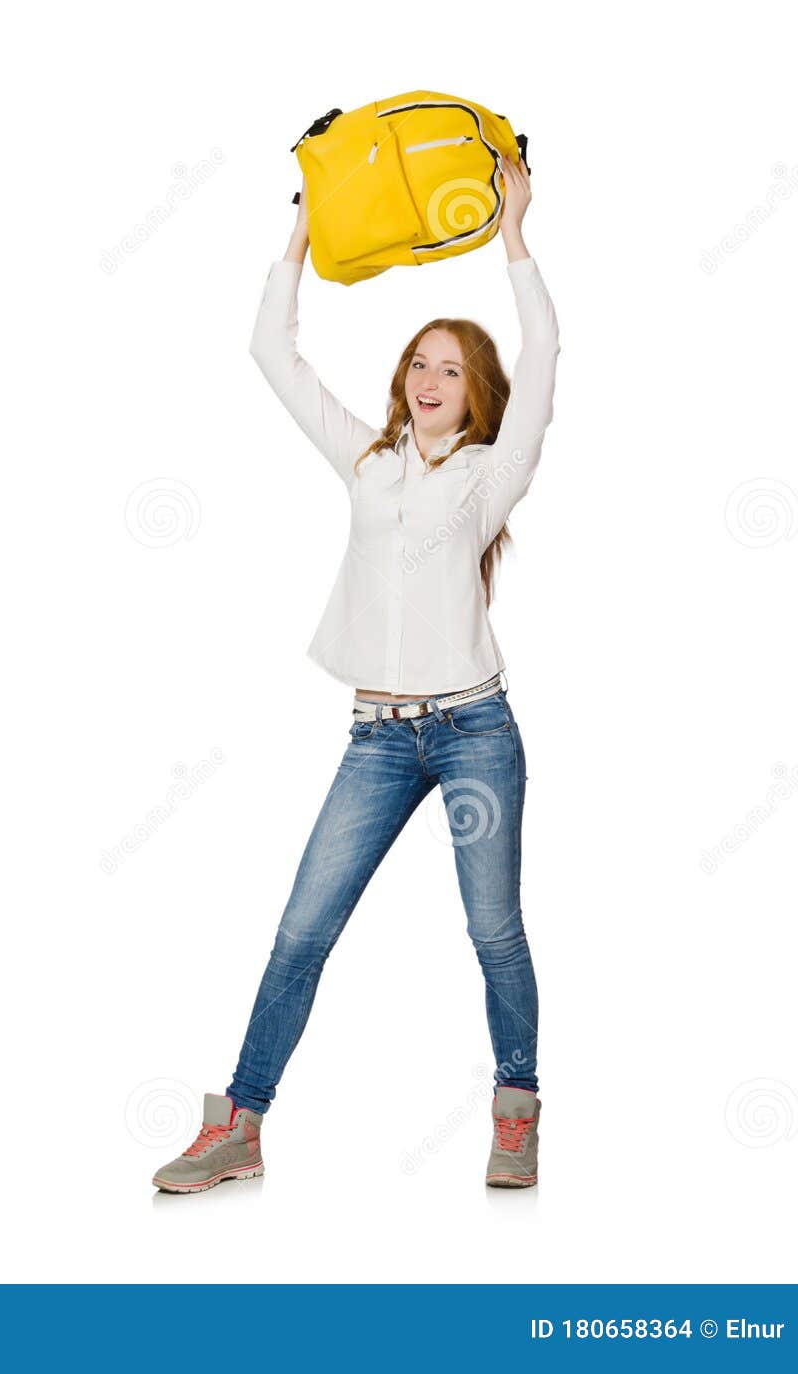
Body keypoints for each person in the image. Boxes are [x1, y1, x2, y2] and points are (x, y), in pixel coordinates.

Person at [154, 154, 558, 1193]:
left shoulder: (490, 473)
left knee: (492, 928)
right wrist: (301, 231)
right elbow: (268, 350)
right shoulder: (369, 461)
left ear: (477, 393)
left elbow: (546, 355)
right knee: (301, 929)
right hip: (378, 739)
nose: (428, 382)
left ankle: (516, 1111)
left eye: (450, 370)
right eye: (418, 365)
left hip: (473, 733)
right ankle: (239, 1124)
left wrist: (513, 234)